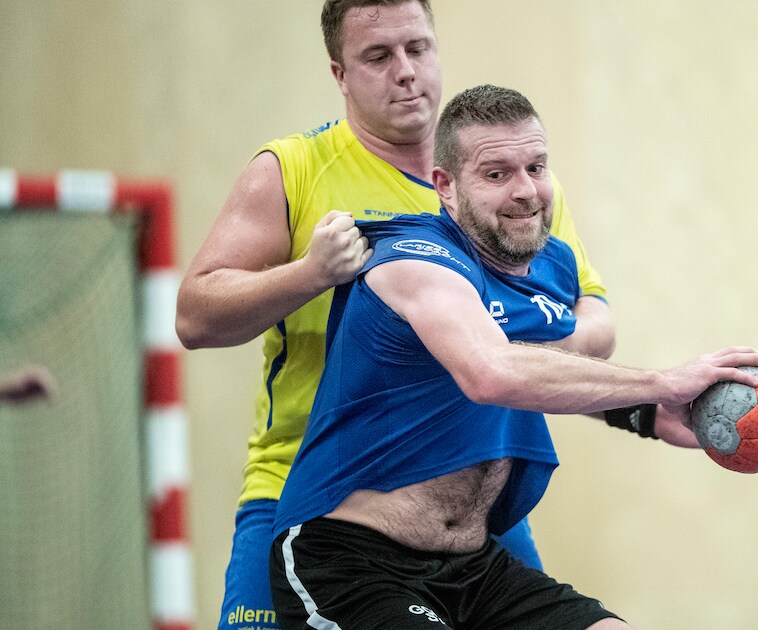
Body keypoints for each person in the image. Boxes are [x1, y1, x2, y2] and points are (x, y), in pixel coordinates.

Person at [175, 1, 615, 627]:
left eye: (418, 48)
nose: (405, 71)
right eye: (378, 56)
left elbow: (591, 318)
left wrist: (500, 358)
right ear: (340, 73)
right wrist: (310, 274)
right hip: (317, 497)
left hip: (460, 499)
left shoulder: (509, 181)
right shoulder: (292, 169)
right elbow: (194, 317)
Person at [270, 84, 758, 629]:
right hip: (350, 560)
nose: (526, 191)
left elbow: (538, 368)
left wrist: (643, 414)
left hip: (473, 565)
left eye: (536, 167)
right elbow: (493, 371)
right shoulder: (414, 259)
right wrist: (661, 382)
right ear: (446, 186)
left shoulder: (550, 266)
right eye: (496, 174)